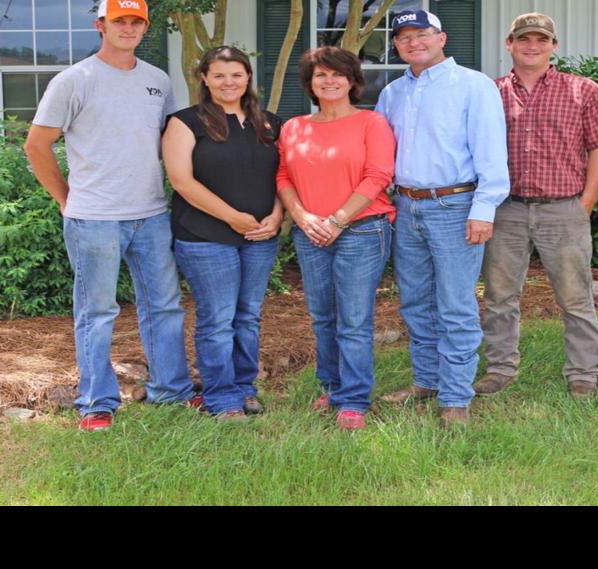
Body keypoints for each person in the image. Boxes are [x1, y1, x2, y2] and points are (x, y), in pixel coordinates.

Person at [25, 0, 194, 433]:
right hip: (95, 218)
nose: (129, 28)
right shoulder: (73, 80)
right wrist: (66, 200)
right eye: (120, 21)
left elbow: (168, 142)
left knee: (165, 307)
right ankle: (97, 402)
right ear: (101, 25)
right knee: (97, 311)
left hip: (152, 214)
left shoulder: (157, 80)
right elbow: (36, 146)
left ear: (145, 28)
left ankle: (172, 391)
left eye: (137, 21)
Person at [478, 12, 598, 400]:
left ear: (554, 47)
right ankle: (499, 367)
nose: (532, 46)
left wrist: (586, 203)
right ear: (509, 44)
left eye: (541, 40)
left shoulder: (583, 90)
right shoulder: (490, 92)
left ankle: (583, 373)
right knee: (499, 296)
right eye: (524, 39)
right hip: (505, 209)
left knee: (576, 296)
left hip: (563, 208)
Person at [375, 7, 510, 426]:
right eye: (403, 37)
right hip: (407, 206)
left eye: (422, 34)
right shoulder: (392, 93)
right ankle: (428, 380)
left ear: (442, 38)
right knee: (416, 302)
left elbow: (491, 153)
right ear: (396, 45)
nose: (413, 42)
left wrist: (483, 210)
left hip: (456, 207)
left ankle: (455, 397)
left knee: (455, 304)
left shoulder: (473, 86)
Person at [275, 47, 398, 431]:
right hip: (311, 230)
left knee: (354, 318)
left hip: (361, 229)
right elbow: (283, 178)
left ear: (352, 80)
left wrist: (337, 220)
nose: (328, 81)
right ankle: (331, 386)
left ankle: (354, 398)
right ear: (310, 84)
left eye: (337, 75)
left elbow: (379, 176)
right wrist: (303, 217)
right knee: (322, 316)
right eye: (320, 75)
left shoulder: (371, 123)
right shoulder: (293, 128)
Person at [162, 46, 284, 422]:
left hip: (260, 236)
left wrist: (278, 216)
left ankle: (245, 389)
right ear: (204, 79)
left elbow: (284, 177)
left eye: (236, 74)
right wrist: (232, 217)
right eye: (219, 75)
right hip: (204, 236)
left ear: (248, 77)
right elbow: (181, 181)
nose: (228, 82)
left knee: (248, 316)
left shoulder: (269, 123)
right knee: (217, 319)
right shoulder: (185, 122)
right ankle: (221, 397)